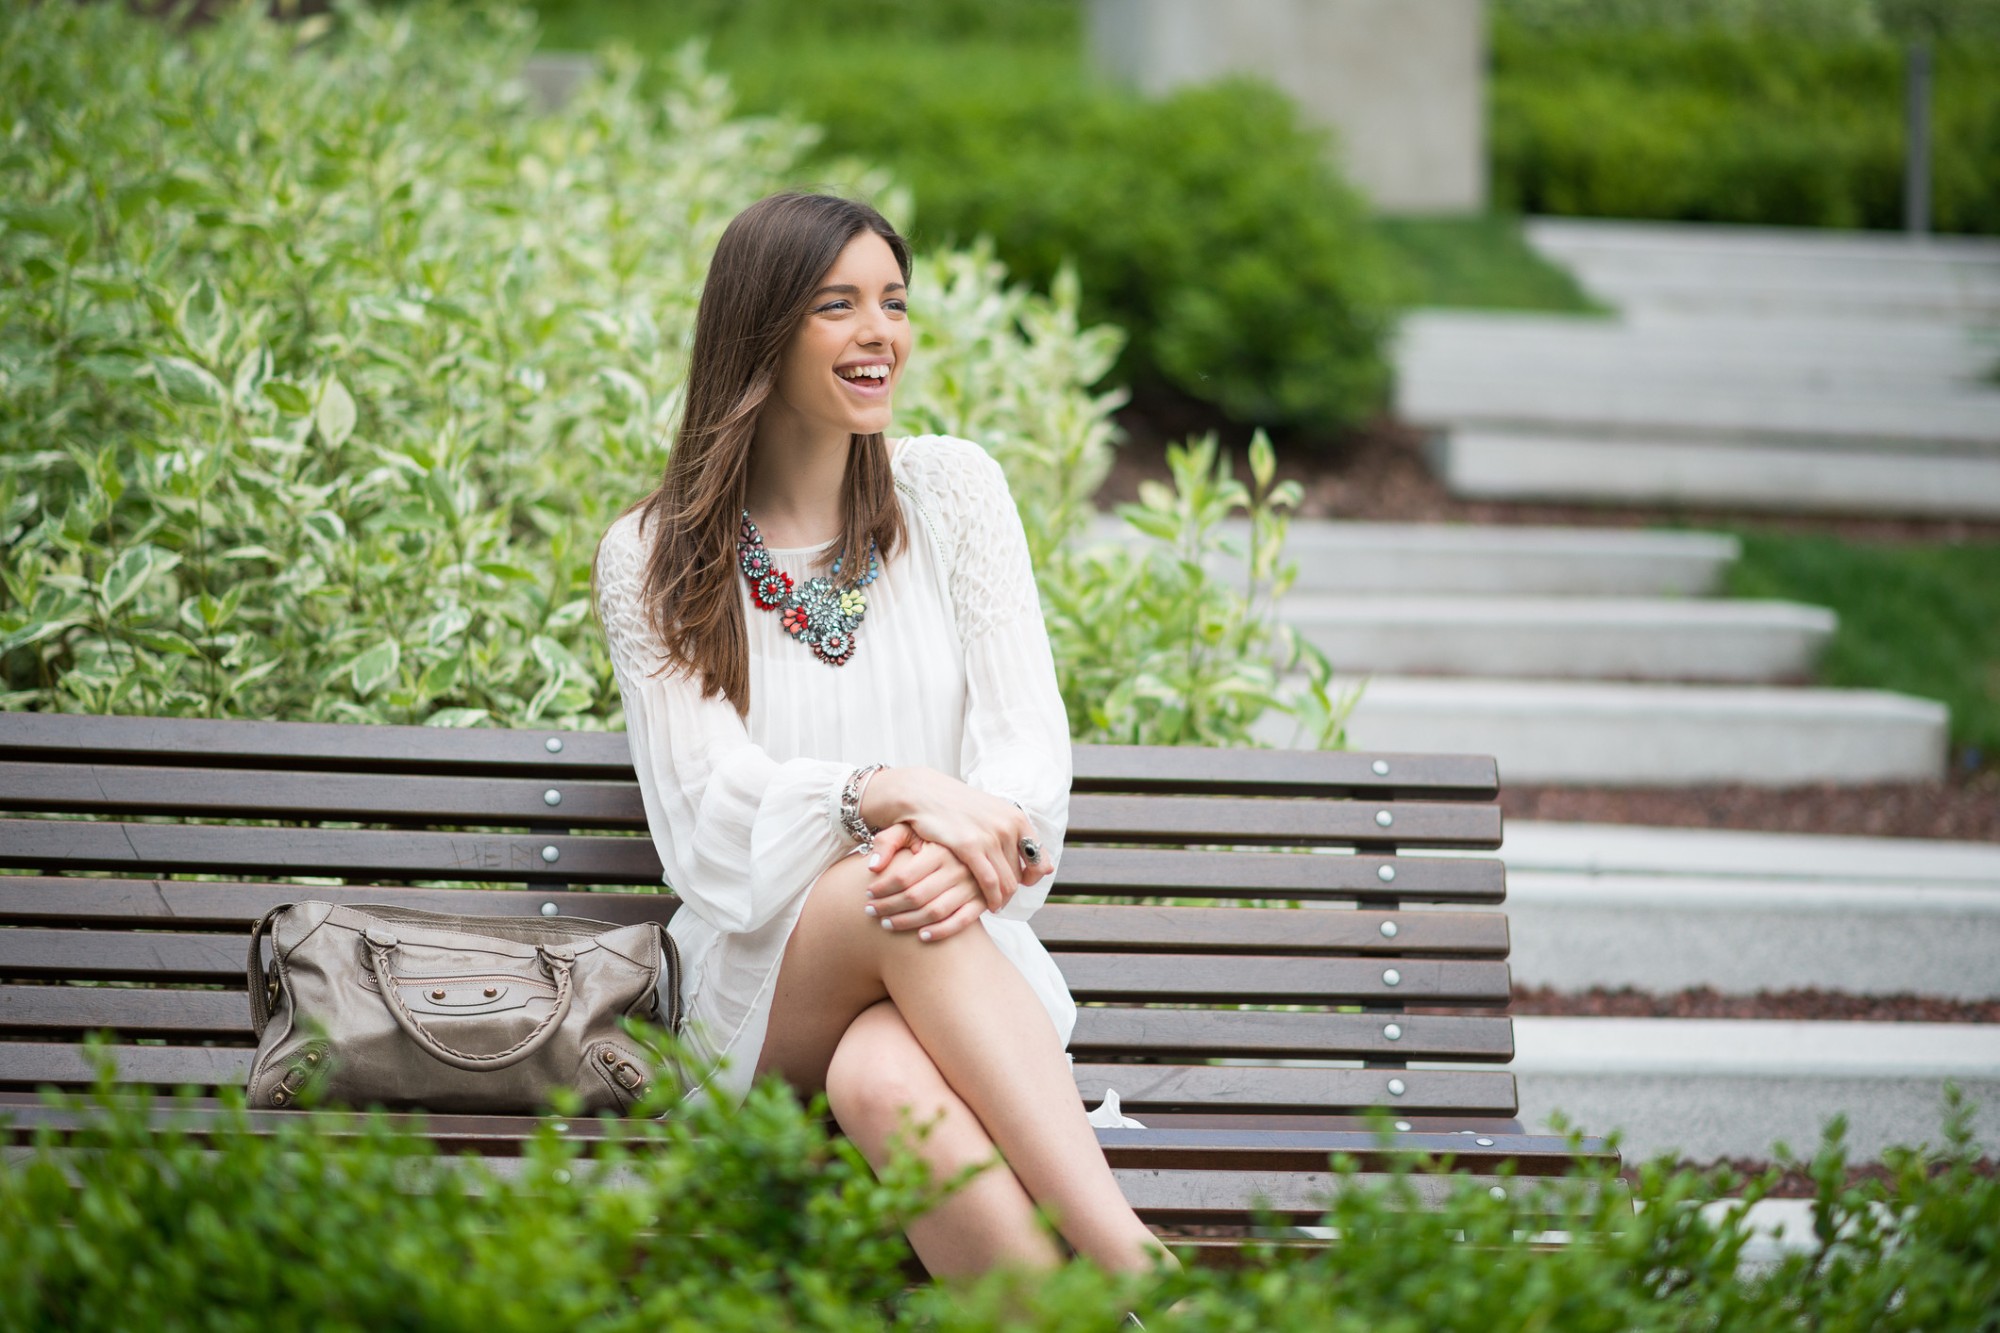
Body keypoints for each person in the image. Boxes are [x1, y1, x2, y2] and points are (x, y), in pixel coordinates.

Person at [592, 192, 1166, 1281]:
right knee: (879, 882)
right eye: (837, 305)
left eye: (894, 302)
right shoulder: (654, 554)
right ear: (759, 332)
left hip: (953, 945)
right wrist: (885, 792)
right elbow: (705, 814)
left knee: (881, 1079)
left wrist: (961, 845)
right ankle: (1148, 1273)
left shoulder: (952, 492)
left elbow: (1026, 749)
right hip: (758, 995)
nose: (880, 333)